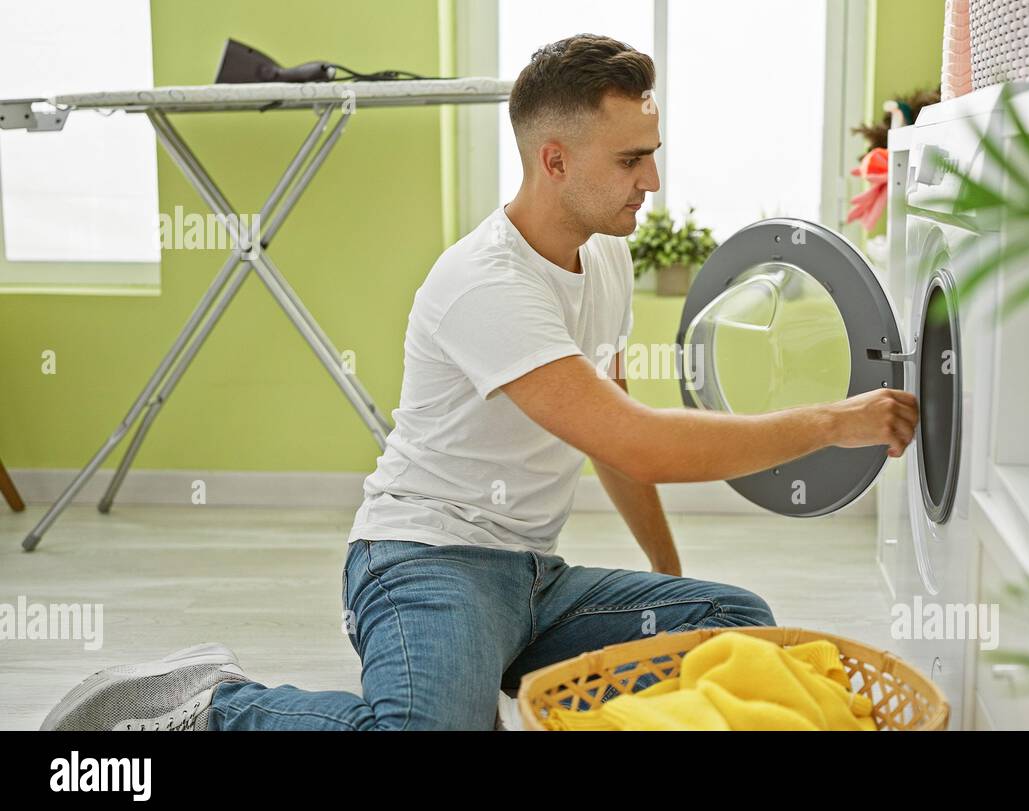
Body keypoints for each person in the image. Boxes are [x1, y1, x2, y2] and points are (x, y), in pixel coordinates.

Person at [40, 33, 918, 732]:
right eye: (631, 159)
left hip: (533, 580)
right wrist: (830, 423)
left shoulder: (603, 255)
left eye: (652, 153)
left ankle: (497, 683)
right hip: (421, 559)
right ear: (554, 161)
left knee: (733, 622)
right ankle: (213, 703)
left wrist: (664, 579)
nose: (653, 179)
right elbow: (637, 437)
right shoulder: (486, 284)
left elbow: (613, 438)